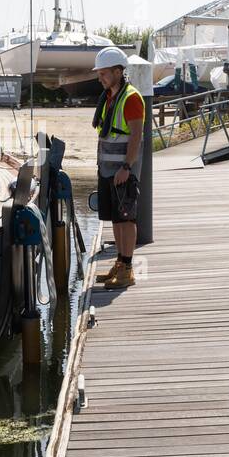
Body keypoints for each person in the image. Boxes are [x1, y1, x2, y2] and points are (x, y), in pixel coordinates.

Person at [92, 46, 145, 289]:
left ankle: (128, 269)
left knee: (126, 219)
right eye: (99, 73)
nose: (100, 77)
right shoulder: (111, 96)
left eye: (104, 73)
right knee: (116, 218)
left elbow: (136, 136)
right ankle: (120, 263)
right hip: (108, 170)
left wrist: (126, 167)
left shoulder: (131, 97)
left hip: (122, 171)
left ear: (117, 71)